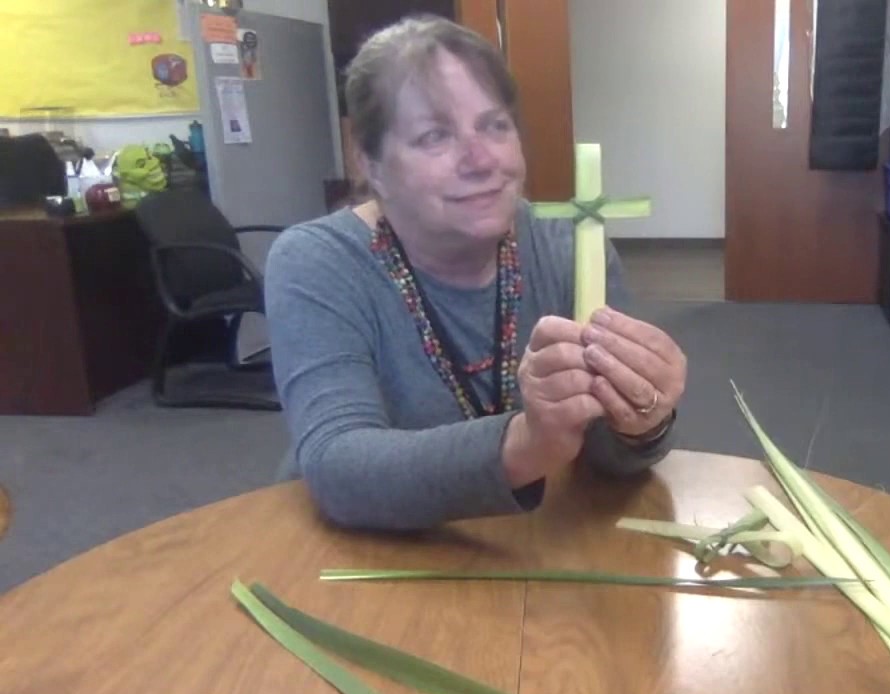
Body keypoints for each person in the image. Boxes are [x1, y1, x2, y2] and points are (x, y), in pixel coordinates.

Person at [264, 16, 687, 531]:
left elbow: (608, 459)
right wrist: (527, 443)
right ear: (370, 163)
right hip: (363, 551)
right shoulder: (318, 262)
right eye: (435, 136)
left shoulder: (569, 247)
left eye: (494, 125)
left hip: (524, 548)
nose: (481, 159)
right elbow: (338, 467)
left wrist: (640, 423)